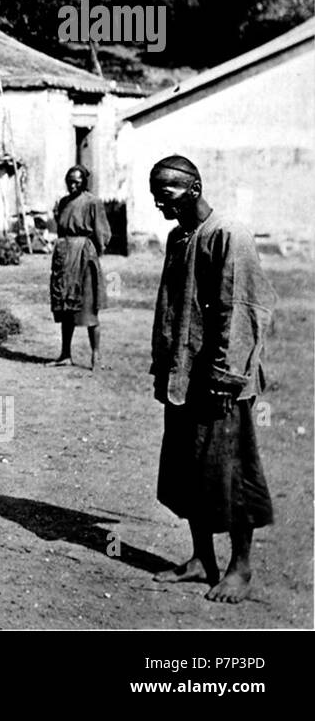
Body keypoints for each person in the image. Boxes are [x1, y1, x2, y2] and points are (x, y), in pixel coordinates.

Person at [147, 155, 274, 604]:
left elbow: (241, 309)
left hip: (221, 379)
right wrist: (165, 364)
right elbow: (172, 309)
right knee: (188, 470)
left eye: (168, 193)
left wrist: (225, 375)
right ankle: (202, 559)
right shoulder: (178, 237)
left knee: (231, 474)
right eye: (155, 195)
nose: (160, 203)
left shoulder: (228, 234)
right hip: (183, 377)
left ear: (195, 187)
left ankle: (240, 568)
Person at [48, 165, 110, 369]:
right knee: (66, 308)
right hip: (64, 256)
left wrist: (93, 251)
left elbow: (102, 232)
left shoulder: (93, 202)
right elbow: (59, 227)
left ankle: (96, 356)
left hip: (83, 257)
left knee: (88, 307)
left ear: (84, 182)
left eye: (77, 181)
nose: (73, 185)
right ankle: (65, 354)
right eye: (70, 181)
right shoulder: (63, 202)